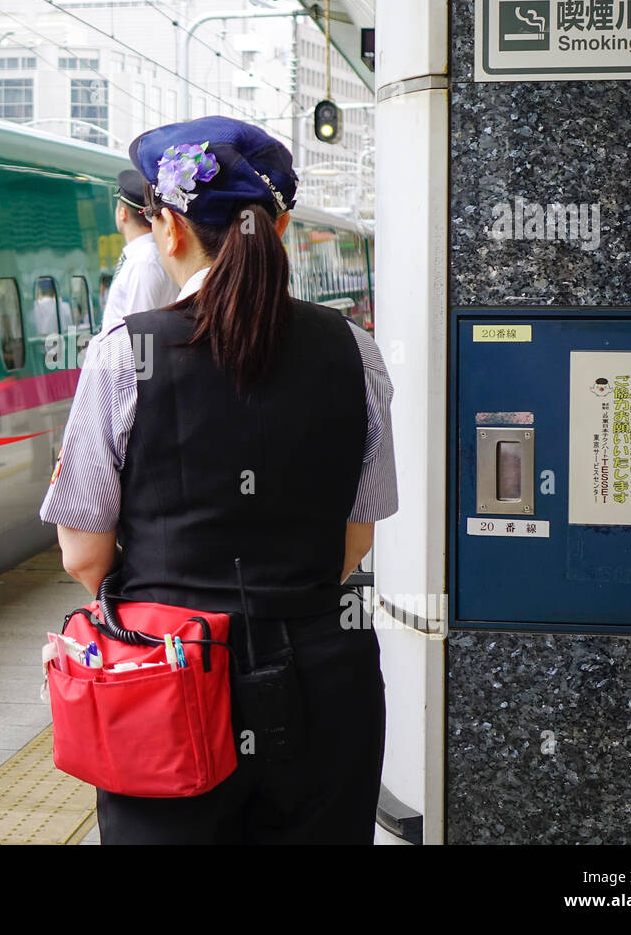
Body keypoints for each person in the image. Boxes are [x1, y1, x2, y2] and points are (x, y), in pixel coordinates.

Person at [39, 116, 398, 845]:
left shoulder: (122, 356)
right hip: (328, 685)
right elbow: (354, 539)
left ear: (168, 228)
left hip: (165, 686)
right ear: (283, 224)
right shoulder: (353, 351)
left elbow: (84, 558)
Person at [99, 169, 179, 335]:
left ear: (123, 214)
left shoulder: (145, 262)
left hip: (136, 359)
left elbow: (140, 335)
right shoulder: (146, 256)